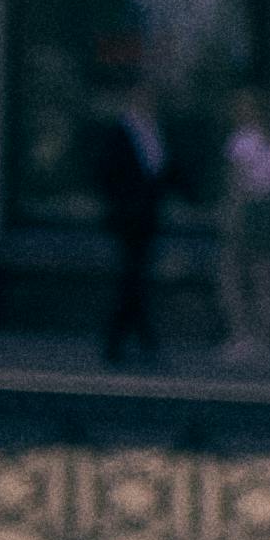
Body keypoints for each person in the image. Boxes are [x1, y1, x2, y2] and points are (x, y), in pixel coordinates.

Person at [85, 44, 166, 365]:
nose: (149, 102)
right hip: (127, 216)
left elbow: (164, 171)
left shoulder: (156, 131)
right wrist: (118, 203)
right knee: (131, 276)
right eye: (144, 96)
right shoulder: (120, 132)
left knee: (135, 276)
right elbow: (106, 173)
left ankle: (140, 335)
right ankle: (125, 339)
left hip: (148, 216)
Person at [216, 100, 270, 365]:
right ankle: (264, 344)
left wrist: (231, 218)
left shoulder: (241, 141)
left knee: (233, 276)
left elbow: (235, 182)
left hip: (247, 210)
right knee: (266, 281)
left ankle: (241, 338)